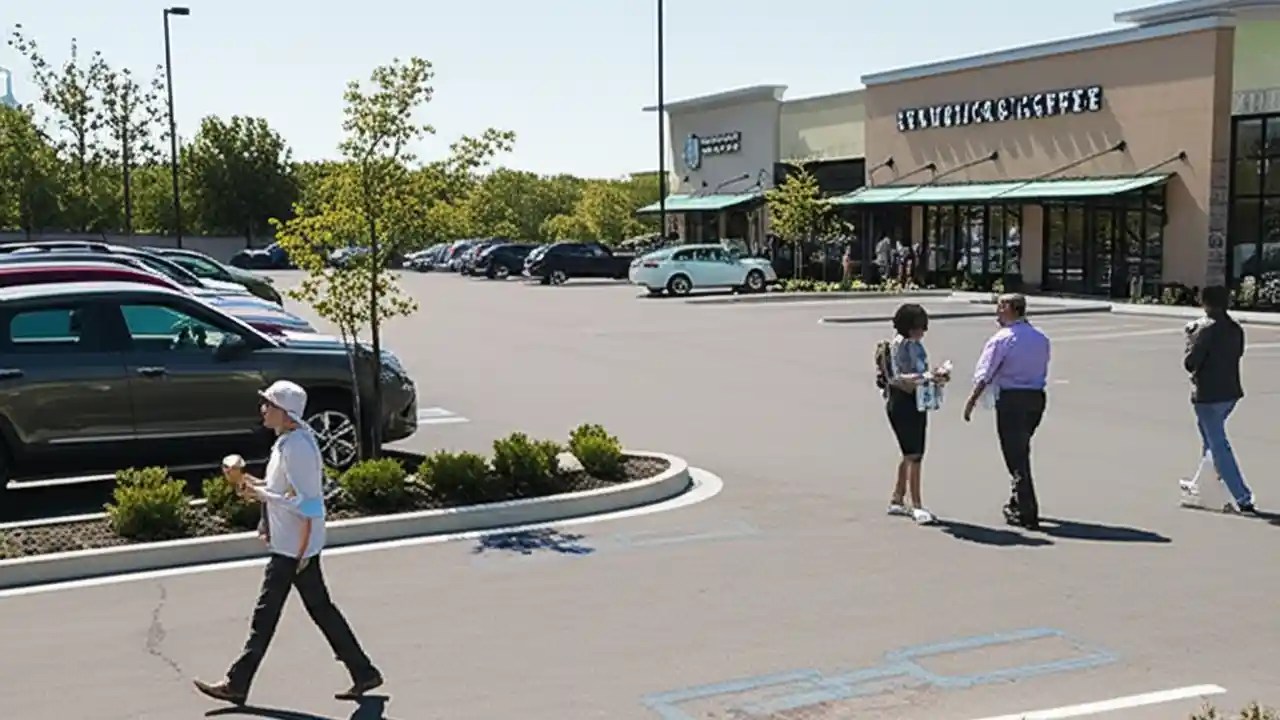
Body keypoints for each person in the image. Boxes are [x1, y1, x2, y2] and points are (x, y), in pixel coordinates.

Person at [194, 380, 383, 706]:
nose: (263, 409)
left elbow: (310, 504)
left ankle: (236, 683)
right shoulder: (285, 443)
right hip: (292, 546)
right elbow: (281, 490)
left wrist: (303, 552)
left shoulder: (298, 449)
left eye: (269, 404)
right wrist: (251, 485)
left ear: (285, 412)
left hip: (294, 550)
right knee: (321, 610)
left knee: (265, 616)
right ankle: (364, 672)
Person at [963, 294, 1051, 529]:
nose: (997, 312)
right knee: (1021, 449)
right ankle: (1016, 501)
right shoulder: (1041, 338)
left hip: (1012, 399)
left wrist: (971, 401)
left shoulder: (1002, 339)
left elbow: (985, 372)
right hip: (1036, 398)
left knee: (1016, 457)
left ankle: (1027, 511)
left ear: (1011, 309)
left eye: (1000, 307)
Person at [1181, 285, 1255, 514]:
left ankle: (1242, 496)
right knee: (1210, 440)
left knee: (1218, 444)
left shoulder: (1204, 329)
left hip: (1208, 395)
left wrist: (1190, 339)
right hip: (1230, 391)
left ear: (1205, 303)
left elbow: (1190, 363)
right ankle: (1201, 484)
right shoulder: (1235, 328)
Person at [876, 303, 950, 524]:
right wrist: (927, 377)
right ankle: (916, 505)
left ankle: (897, 499)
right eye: (919, 326)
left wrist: (936, 375)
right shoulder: (900, 345)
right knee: (914, 454)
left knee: (910, 451)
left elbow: (919, 372)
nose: (923, 331)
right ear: (908, 327)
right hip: (902, 401)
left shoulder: (916, 345)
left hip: (916, 400)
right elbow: (898, 378)